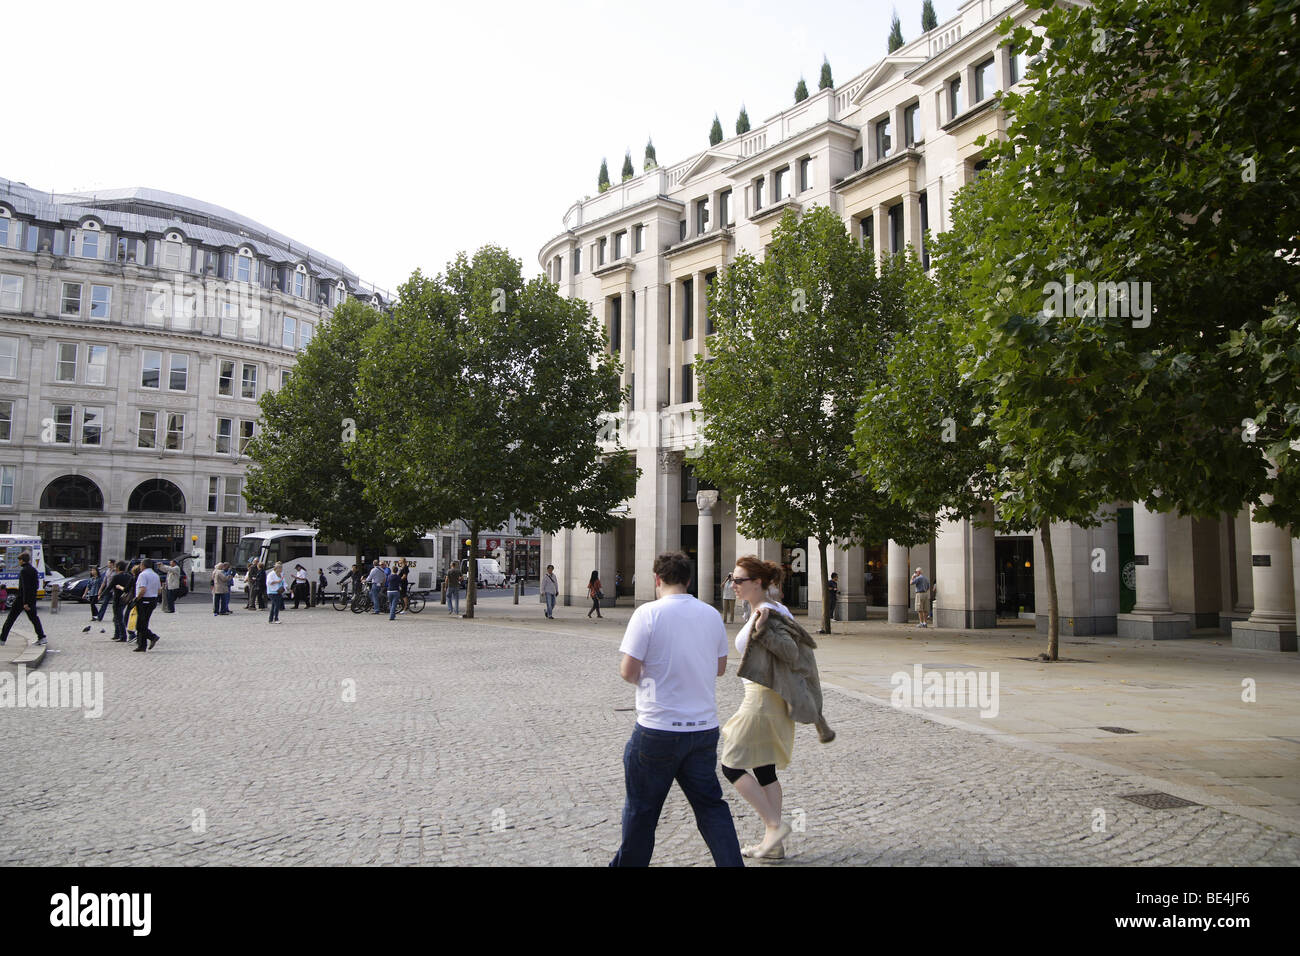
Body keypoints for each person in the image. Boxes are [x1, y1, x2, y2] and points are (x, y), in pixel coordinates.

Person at [610, 551, 743, 867]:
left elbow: (628, 671)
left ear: (657, 579)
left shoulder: (648, 614)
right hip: (702, 729)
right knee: (711, 807)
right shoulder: (710, 615)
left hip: (658, 729)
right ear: (689, 580)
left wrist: (653, 678)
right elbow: (721, 667)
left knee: (642, 810)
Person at [722, 555, 835, 861]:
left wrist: (764, 631)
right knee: (764, 770)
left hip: (762, 699)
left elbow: (790, 652)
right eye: (733, 579)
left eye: (739, 580)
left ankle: (774, 826)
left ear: (758, 583)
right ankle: (774, 845)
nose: (733, 585)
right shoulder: (763, 609)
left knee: (730, 765)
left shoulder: (769, 612)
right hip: (767, 696)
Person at [0, 551, 47, 647]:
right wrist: (30, 600)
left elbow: (25, 587)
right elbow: (35, 585)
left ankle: (2, 639)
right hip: (31, 599)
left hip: (21, 599)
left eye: (19, 560)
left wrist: (25, 602)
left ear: (22, 560)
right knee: (34, 619)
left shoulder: (24, 571)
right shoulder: (33, 570)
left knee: (10, 619)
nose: (19, 562)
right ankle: (42, 637)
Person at [132, 559, 162, 652]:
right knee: (144, 622)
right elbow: (159, 590)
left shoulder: (143, 575)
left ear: (143, 565)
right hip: (153, 599)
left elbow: (143, 589)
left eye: (140, 565)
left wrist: (137, 598)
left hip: (144, 600)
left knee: (140, 625)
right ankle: (142, 645)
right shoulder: (156, 575)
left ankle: (152, 636)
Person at [108, 561, 133, 642]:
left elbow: (109, 587)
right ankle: (118, 634)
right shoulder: (129, 576)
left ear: (118, 567)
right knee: (119, 617)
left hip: (117, 599)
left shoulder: (116, 577)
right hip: (126, 599)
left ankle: (122, 635)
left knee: (118, 618)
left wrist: (101, 595)